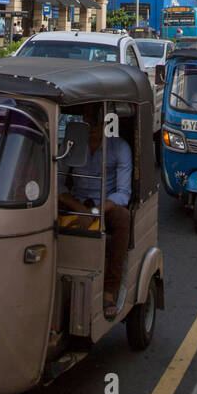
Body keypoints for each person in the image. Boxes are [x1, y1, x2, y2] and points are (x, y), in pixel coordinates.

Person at [58, 105, 131, 321]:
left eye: (94, 122)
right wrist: (81, 210)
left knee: (123, 219)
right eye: (85, 122)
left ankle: (110, 290)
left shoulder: (119, 148)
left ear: (104, 123)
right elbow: (59, 185)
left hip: (104, 205)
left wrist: (95, 212)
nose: (89, 128)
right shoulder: (70, 146)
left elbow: (123, 194)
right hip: (78, 204)